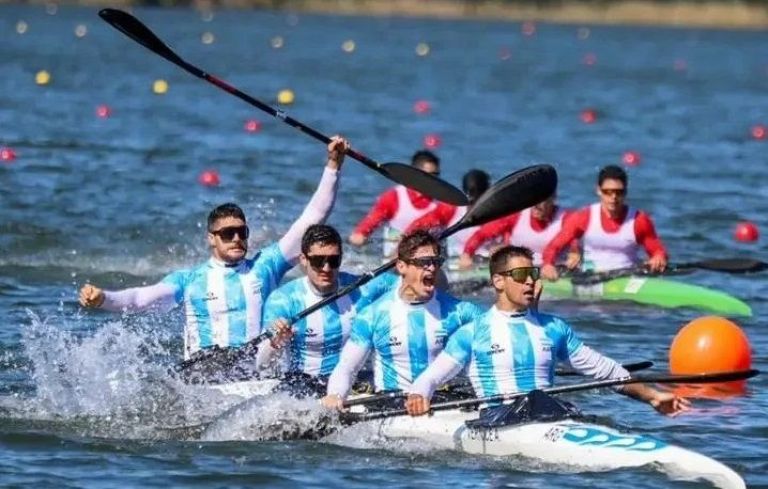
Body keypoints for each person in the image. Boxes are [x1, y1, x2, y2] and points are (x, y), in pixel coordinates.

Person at [78, 136, 350, 360]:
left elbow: (313, 216)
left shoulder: (265, 266)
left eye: (241, 232)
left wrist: (333, 165)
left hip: (255, 371)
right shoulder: (189, 279)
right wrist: (104, 298)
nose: (236, 239)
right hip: (204, 372)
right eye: (227, 233)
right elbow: (139, 300)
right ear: (211, 238)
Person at [405, 245, 691, 417]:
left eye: (534, 274)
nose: (530, 281)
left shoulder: (554, 329)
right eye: (520, 275)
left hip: (548, 415)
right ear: (498, 281)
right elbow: (428, 379)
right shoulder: (472, 333)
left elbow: (605, 371)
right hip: (496, 420)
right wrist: (419, 396)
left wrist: (653, 396)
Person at [321, 230, 483, 409]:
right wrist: (335, 395)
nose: (431, 268)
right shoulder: (373, 315)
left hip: (442, 399)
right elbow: (347, 368)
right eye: (423, 263)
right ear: (401, 266)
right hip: (391, 401)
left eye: (436, 262)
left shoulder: (461, 312)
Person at [258, 224, 399, 379]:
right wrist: (275, 343)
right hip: (304, 383)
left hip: (355, 381)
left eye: (333, 260)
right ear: (304, 259)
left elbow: (411, 283)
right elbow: (262, 364)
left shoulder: (363, 288)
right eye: (318, 261)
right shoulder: (283, 300)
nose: (326, 268)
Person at [541, 165, 667, 281]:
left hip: (628, 276)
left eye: (619, 192)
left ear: (626, 192)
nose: (613, 197)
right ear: (598, 190)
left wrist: (658, 257)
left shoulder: (639, 220)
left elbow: (658, 250)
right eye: (608, 192)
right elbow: (553, 247)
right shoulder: (584, 217)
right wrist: (548, 265)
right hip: (590, 278)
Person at [348, 150, 441, 256]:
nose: (434, 180)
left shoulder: (442, 203)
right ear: (415, 174)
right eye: (429, 175)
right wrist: (359, 238)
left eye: (436, 175)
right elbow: (360, 234)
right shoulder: (394, 197)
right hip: (394, 264)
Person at [458, 194, 580, 269]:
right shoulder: (516, 215)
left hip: (556, 269)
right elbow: (482, 234)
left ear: (553, 199)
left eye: (542, 201)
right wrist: (467, 254)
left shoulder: (567, 217)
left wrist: (575, 252)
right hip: (519, 270)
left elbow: (572, 237)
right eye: (534, 201)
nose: (537, 206)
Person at [405, 169, 492, 258]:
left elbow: (482, 235)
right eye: (471, 200)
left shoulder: (497, 212)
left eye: (476, 200)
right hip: (454, 261)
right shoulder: (451, 209)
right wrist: (405, 243)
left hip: (485, 261)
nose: (472, 205)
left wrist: (467, 253)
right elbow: (420, 224)